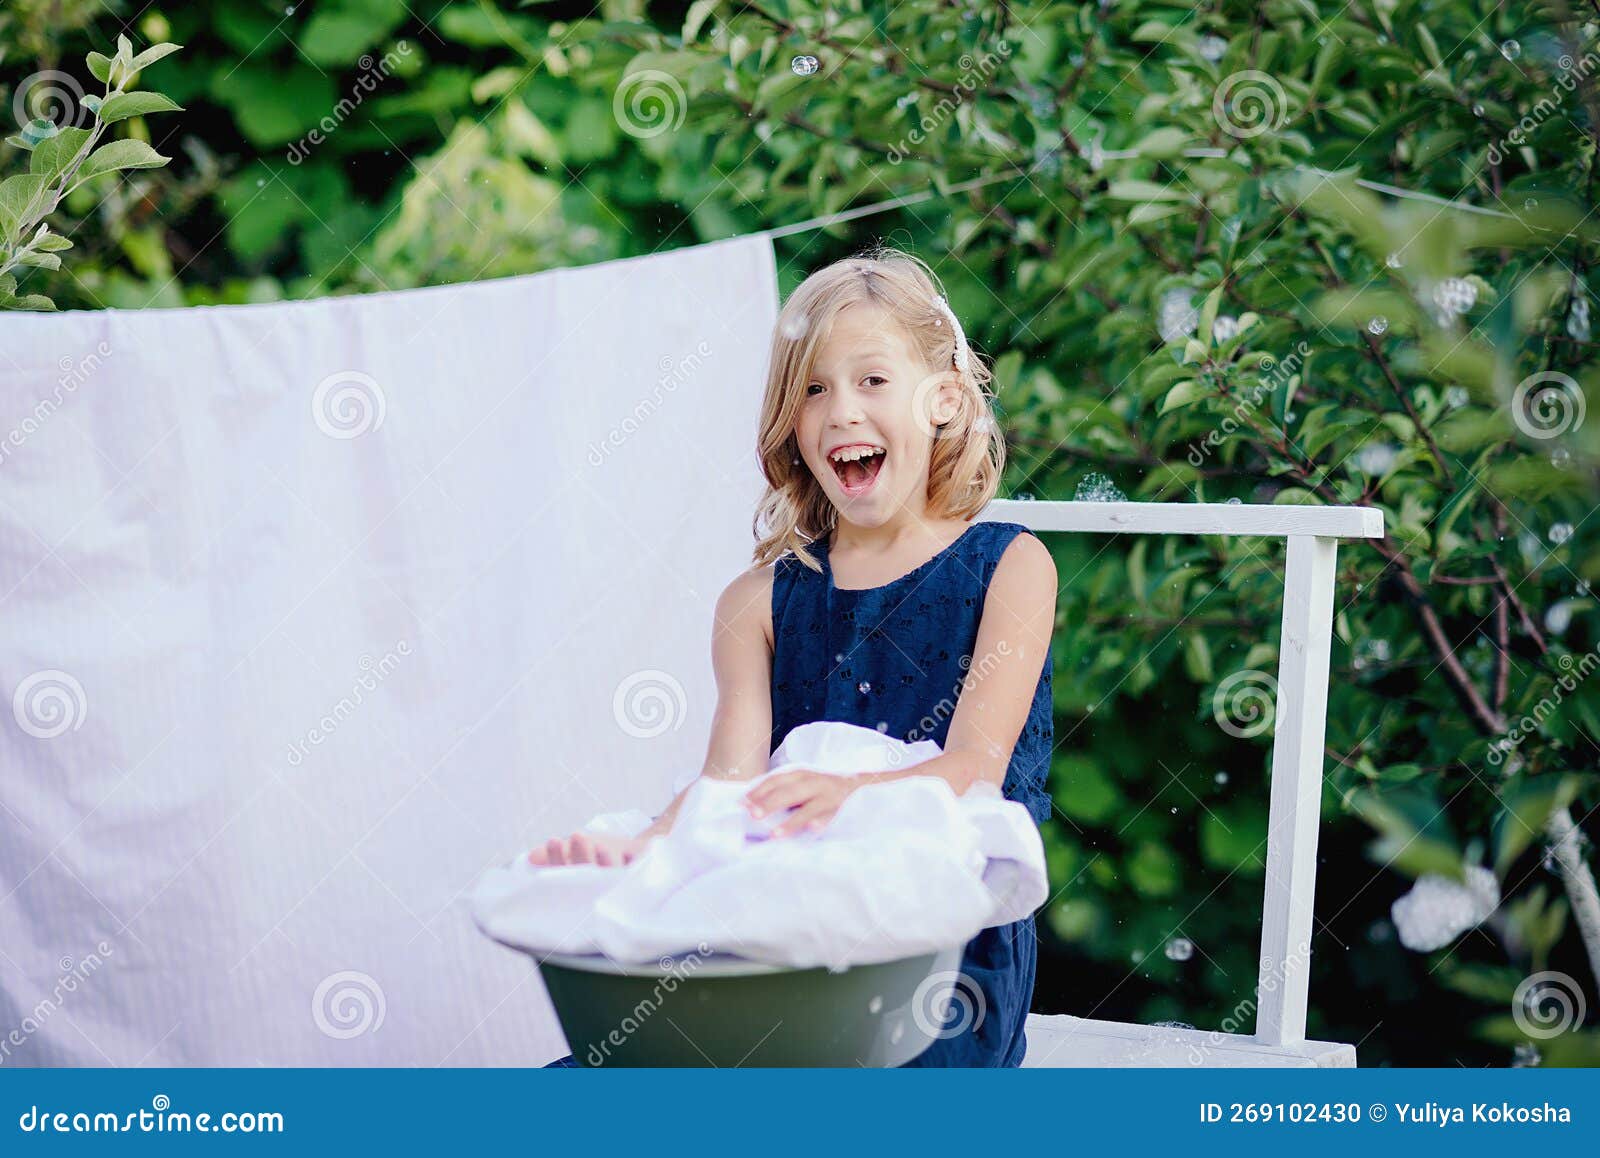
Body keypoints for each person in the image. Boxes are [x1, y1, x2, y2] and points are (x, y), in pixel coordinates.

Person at [533, 245, 1057, 1067]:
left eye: (872, 380)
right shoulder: (758, 602)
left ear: (944, 400)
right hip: (785, 929)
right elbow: (727, 787)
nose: (841, 411)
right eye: (813, 388)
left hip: (943, 958)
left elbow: (975, 769)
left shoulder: (1010, 565)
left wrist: (850, 795)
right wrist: (640, 847)